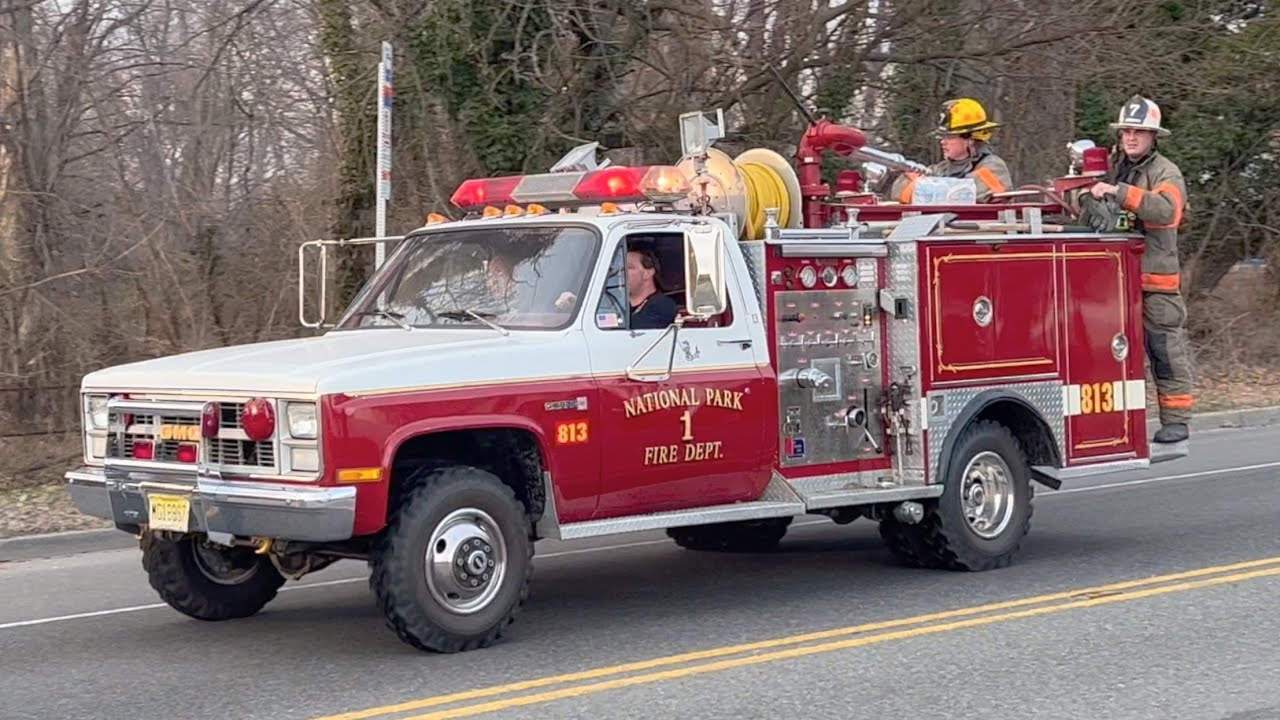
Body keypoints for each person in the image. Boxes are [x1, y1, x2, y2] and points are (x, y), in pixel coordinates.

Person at [1080, 94, 1193, 444]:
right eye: (1126, 131)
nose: (1131, 137)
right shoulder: (1113, 167)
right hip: (1113, 282)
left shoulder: (1165, 172)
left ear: (1153, 136)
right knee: (1109, 354)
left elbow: (1167, 211)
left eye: (1138, 132)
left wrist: (1119, 192)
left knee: (1163, 352)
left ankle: (1176, 420)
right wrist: (1085, 191)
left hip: (1154, 283)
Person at [883, 98, 1013, 203]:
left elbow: (962, 193)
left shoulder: (994, 166)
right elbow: (899, 189)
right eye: (942, 137)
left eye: (949, 137)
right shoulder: (941, 169)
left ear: (971, 139)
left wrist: (923, 186)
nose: (942, 142)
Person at [626, 246, 677, 329]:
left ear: (648, 273)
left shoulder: (662, 306)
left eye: (628, 267)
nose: (619, 273)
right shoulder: (615, 304)